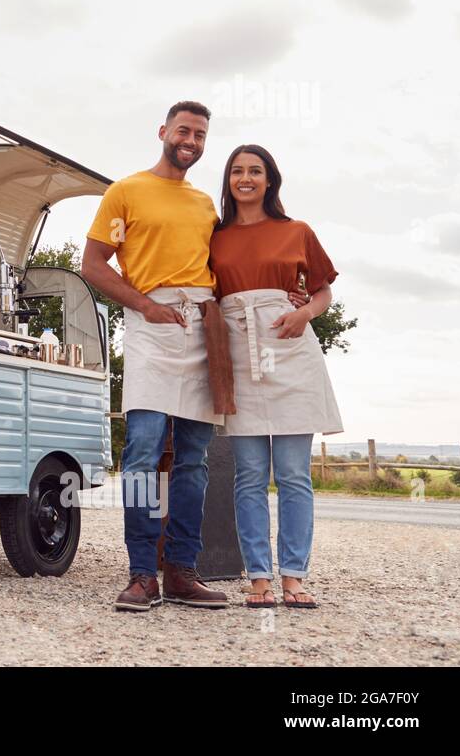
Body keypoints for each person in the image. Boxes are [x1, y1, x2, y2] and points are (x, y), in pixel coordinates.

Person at [82, 100, 233, 612]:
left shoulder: (205, 204)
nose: (191, 141)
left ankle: (182, 573)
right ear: (163, 131)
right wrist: (145, 305)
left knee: (194, 459)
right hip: (151, 322)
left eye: (201, 135)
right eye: (184, 131)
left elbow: (224, 268)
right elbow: (93, 264)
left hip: (201, 326)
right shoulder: (125, 191)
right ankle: (142, 574)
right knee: (143, 452)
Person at [209, 145, 343, 609]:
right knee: (248, 476)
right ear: (229, 180)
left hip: (290, 352)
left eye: (255, 171)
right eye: (237, 171)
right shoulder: (215, 236)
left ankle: (294, 578)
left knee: (292, 474)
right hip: (238, 356)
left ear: (270, 180)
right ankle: (259, 580)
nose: (246, 178)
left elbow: (323, 291)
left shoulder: (297, 231)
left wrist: (304, 313)